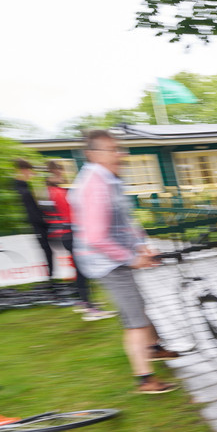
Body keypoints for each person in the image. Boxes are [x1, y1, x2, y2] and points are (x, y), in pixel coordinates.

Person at [69, 130, 179, 395]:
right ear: (93, 154)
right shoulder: (94, 185)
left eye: (119, 148)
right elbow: (96, 237)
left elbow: (124, 220)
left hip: (114, 256)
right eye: (112, 150)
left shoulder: (107, 179)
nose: (121, 154)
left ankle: (153, 349)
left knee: (137, 306)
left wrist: (142, 246)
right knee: (135, 320)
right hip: (105, 262)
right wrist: (132, 258)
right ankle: (145, 380)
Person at [44, 159, 114, 321]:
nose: (64, 175)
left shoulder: (52, 191)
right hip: (71, 233)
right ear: (56, 173)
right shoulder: (58, 193)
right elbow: (71, 214)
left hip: (66, 234)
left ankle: (84, 302)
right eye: (61, 172)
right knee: (82, 270)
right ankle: (90, 308)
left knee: (79, 270)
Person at [11, 158, 57, 290]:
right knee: (47, 251)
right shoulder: (19, 188)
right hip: (36, 225)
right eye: (31, 172)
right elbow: (30, 211)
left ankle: (51, 279)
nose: (32, 175)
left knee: (49, 251)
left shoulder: (24, 186)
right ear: (23, 170)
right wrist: (44, 222)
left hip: (40, 223)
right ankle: (50, 281)